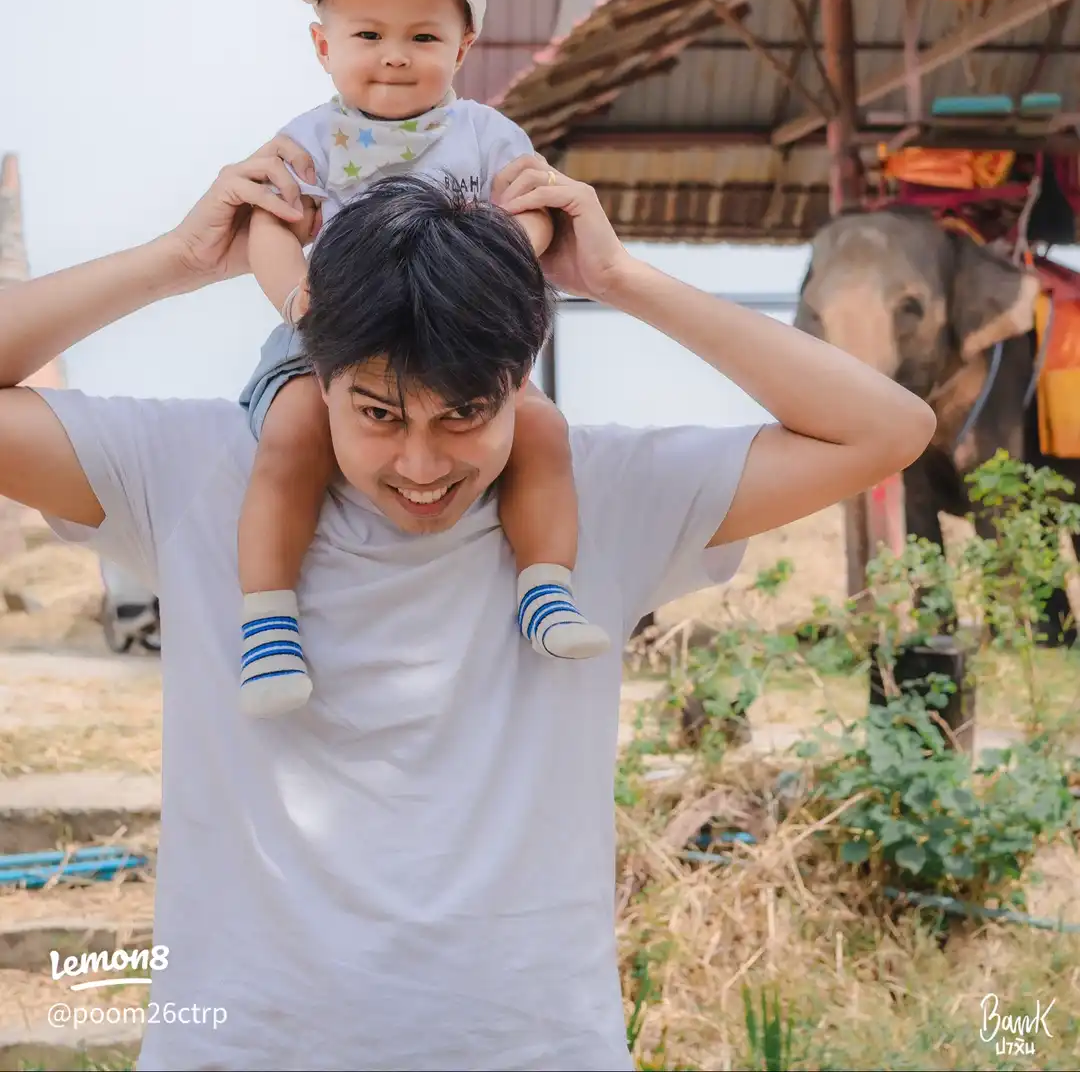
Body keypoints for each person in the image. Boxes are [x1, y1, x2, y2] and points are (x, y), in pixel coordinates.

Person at [0, 144, 935, 1072]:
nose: (419, 465)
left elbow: (890, 426)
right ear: (313, 371)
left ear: (519, 385)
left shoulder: (596, 496)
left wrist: (618, 276)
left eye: (463, 417)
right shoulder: (197, 474)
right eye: (377, 415)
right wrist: (174, 259)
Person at [239, 0, 605, 717]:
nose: (396, 55)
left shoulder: (485, 132)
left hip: (459, 335)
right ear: (322, 45)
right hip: (336, 337)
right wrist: (300, 299)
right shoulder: (312, 138)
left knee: (541, 428)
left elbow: (534, 209)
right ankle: (267, 622)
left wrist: (486, 264)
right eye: (368, 33)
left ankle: (546, 586)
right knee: (295, 427)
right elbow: (267, 221)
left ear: (463, 49)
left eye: (423, 36)